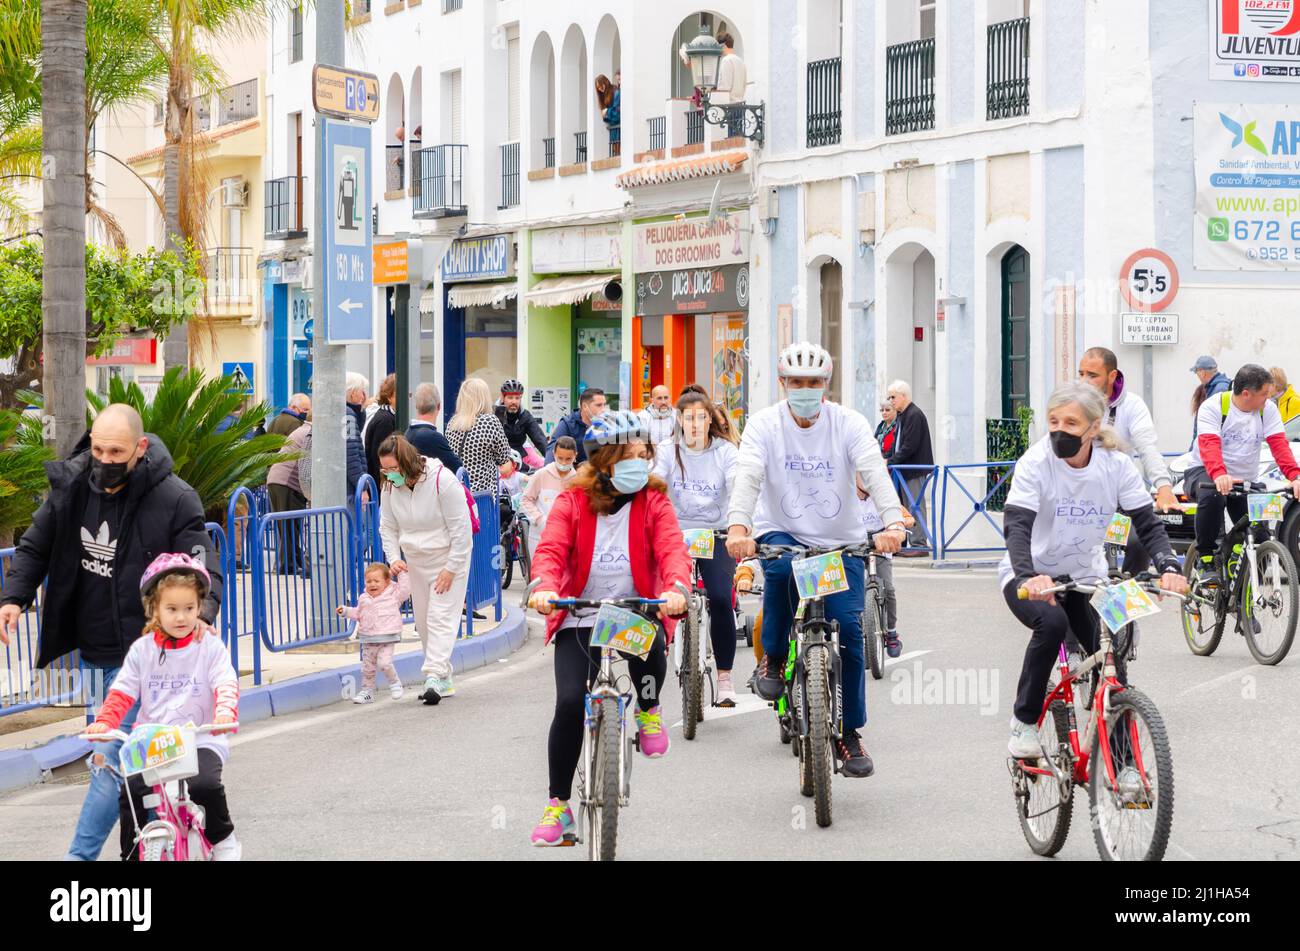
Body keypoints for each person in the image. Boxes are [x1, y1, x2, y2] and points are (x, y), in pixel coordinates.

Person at [0, 404, 223, 861]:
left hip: (147, 656)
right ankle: (135, 850)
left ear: (140, 448)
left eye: (116, 451)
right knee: (121, 766)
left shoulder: (175, 498)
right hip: (94, 650)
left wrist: (205, 611)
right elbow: (35, 544)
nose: (104, 459)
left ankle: (77, 860)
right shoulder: (72, 487)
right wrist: (13, 597)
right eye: (97, 448)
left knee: (112, 763)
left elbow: (202, 562)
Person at [726, 343, 905, 778]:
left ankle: (848, 734)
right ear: (783, 383)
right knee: (783, 569)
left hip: (839, 542)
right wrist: (737, 527)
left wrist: (893, 521)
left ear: (826, 385)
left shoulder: (849, 423)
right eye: (797, 382)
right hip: (781, 533)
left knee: (850, 633)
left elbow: (874, 471)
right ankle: (771, 655)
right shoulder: (764, 425)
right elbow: (748, 474)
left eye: (814, 383)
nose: (806, 390)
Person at [526, 411, 691, 847]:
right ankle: (557, 806)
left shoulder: (653, 500)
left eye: (646, 454)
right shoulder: (571, 501)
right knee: (567, 702)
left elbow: (673, 550)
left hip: (631, 610)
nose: (642, 462)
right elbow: (551, 550)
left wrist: (675, 588)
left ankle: (649, 711)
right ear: (605, 461)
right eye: (632, 456)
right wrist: (542, 586)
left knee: (651, 640)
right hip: (580, 612)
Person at [1001, 383, 1186, 759]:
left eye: (1071, 422)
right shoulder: (1036, 462)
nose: (1059, 430)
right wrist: (1026, 576)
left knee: (1110, 661)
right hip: (1030, 577)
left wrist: (1168, 565)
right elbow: (1017, 525)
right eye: (1053, 421)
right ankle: (1024, 722)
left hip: (1086, 577)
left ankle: (1124, 763)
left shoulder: (1115, 465)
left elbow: (1147, 523)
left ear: (1092, 427)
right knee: (1051, 625)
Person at [86, 552, 240, 861]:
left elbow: (225, 682)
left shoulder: (208, 645)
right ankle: (131, 853)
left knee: (205, 786)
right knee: (132, 789)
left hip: (201, 737)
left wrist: (225, 713)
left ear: (200, 607)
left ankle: (223, 840)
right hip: (153, 742)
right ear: (153, 608)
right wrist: (105, 721)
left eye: (189, 608)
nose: (181, 617)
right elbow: (123, 690)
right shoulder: (143, 650)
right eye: (171, 609)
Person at [654, 388, 741, 705]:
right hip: (675, 534)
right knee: (662, 596)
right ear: (679, 419)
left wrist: (739, 526)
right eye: (688, 417)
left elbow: (736, 483)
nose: (694, 424)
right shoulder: (667, 449)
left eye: (700, 417)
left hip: (716, 533)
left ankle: (725, 677)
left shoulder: (725, 451)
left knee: (720, 597)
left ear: (709, 420)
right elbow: (656, 480)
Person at [377, 434, 473, 704]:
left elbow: (461, 530)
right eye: (385, 469)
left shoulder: (443, 481)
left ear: (407, 462)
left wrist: (451, 568)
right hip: (416, 561)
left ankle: (432, 675)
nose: (389, 474)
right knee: (423, 622)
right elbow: (388, 525)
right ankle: (444, 676)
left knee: (440, 617)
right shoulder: (389, 488)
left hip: (448, 557)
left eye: (393, 469)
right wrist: (393, 556)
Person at [1186, 364, 1300, 585]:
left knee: (1260, 541)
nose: (1269, 398)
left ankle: (1243, 611)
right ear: (1246, 393)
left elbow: (1279, 446)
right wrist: (1219, 474)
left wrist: (1295, 477)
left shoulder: (1267, 410)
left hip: (1244, 479)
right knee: (1213, 497)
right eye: (1264, 394)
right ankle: (1206, 559)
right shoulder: (1214, 407)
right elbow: (1209, 445)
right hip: (1206, 472)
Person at [1077, 347, 1183, 575]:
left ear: (1112, 376)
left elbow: (1147, 448)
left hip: (1122, 493)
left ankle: (1130, 592)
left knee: (1140, 542)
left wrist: (1164, 487)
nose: (1084, 381)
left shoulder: (1132, 405)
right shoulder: (1074, 405)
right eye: (1081, 373)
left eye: (1092, 375)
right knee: (1090, 556)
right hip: (1083, 496)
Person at [338, 563, 410, 704]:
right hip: (368, 639)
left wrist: (402, 573)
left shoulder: (393, 596)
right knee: (367, 668)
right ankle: (367, 692)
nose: (372, 584)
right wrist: (345, 611)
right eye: (369, 581)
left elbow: (406, 590)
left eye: (376, 581)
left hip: (386, 637)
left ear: (387, 582)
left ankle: (395, 683)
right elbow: (358, 613)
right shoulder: (364, 598)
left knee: (384, 664)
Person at [887, 380, 935, 551]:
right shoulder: (903, 415)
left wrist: (890, 461)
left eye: (893, 397)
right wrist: (889, 458)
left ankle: (919, 544)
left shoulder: (914, 414)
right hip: (904, 471)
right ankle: (908, 543)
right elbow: (898, 444)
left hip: (913, 470)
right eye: (889, 397)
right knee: (906, 509)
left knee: (915, 507)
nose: (890, 401)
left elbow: (910, 445)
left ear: (903, 396)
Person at [446, 377, 512, 495]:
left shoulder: (452, 423)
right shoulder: (489, 421)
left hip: (458, 494)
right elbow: (505, 462)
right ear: (484, 398)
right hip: (482, 497)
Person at [267, 416, 313, 574]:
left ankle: (290, 562)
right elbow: (308, 464)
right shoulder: (311, 432)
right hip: (288, 482)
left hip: (277, 479)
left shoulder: (301, 430)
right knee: (289, 526)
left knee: (285, 526)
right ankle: (288, 565)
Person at [520, 436, 578, 555]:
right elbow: (525, 500)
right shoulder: (542, 475)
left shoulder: (577, 480)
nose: (563, 463)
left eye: (568, 459)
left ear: (575, 456)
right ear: (554, 454)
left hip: (567, 537)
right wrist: (539, 519)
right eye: (560, 458)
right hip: (540, 536)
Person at [405, 382, 464, 474]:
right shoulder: (433, 438)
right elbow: (457, 467)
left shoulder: (407, 434)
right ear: (439, 406)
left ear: (416, 405)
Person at [546, 387, 607, 465]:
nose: (603, 409)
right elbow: (552, 452)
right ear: (585, 407)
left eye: (604, 405)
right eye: (599, 405)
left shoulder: (605, 425)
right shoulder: (567, 424)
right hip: (574, 473)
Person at [494, 378, 548, 464]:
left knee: (543, 464)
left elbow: (540, 439)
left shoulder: (525, 416)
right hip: (499, 456)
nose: (514, 401)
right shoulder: (494, 415)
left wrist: (551, 460)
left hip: (521, 450)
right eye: (510, 398)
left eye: (517, 398)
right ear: (502, 398)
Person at [1190, 356, 1232, 446]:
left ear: (1203, 373)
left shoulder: (1219, 389)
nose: (1197, 376)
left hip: (1214, 443)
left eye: (1196, 372)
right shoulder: (1217, 387)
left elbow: (1210, 420)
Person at [364, 374, 398, 487]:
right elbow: (380, 458)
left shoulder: (387, 416)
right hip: (384, 485)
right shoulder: (385, 420)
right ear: (389, 397)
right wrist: (397, 482)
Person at [344, 372, 369, 497]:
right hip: (349, 489)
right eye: (362, 391)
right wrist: (362, 486)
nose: (363, 396)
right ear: (353, 393)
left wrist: (360, 409)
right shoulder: (347, 415)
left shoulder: (347, 413)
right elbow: (351, 453)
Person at [595, 74, 620, 153]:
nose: (600, 89)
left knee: (619, 150)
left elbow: (617, 113)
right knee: (616, 151)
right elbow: (606, 118)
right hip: (613, 129)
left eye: (600, 86)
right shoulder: (604, 97)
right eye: (598, 88)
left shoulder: (616, 92)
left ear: (605, 82)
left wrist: (606, 111)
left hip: (618, 128)